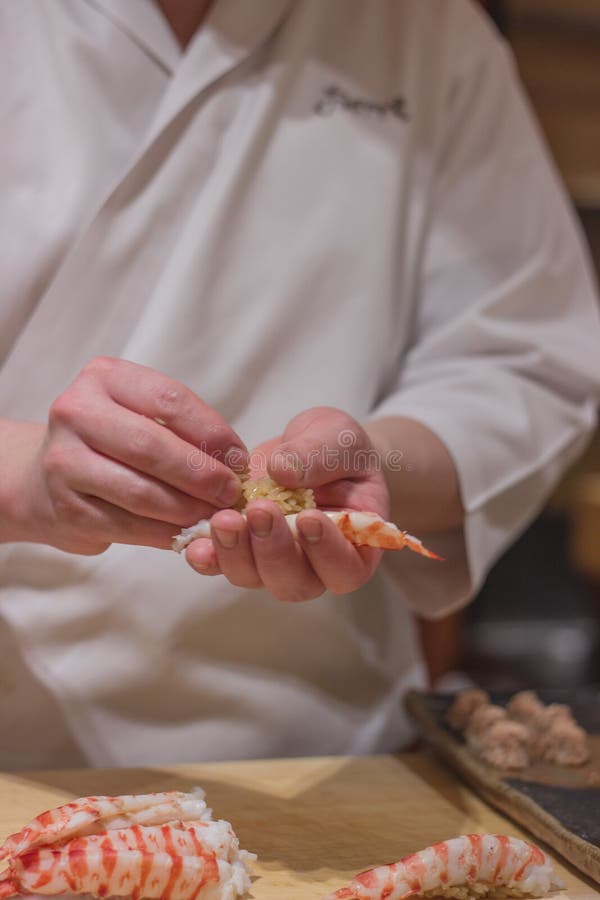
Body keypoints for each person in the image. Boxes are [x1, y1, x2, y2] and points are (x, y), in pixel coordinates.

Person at [1, 0, 599, 770]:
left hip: (312, 756)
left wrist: (374, 462)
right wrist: (22, 479)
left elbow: (526, 362)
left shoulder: (426, 30)